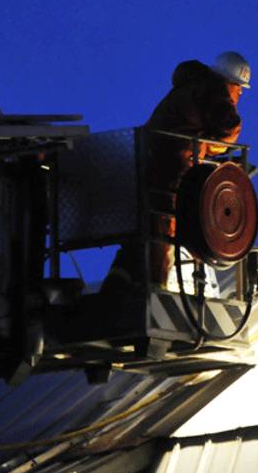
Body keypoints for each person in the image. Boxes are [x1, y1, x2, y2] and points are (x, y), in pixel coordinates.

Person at [103, 51, 250, 295]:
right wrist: (206, 144)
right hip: (170, 171)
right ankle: (154, 291)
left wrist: (201, 143)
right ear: (231, 83)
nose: (240, 95)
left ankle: (114, 289)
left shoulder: (187, 89)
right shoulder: (213, 90)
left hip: (147, 165)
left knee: (141, 234)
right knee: (164, 231)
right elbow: (228, 129)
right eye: (240, 89)